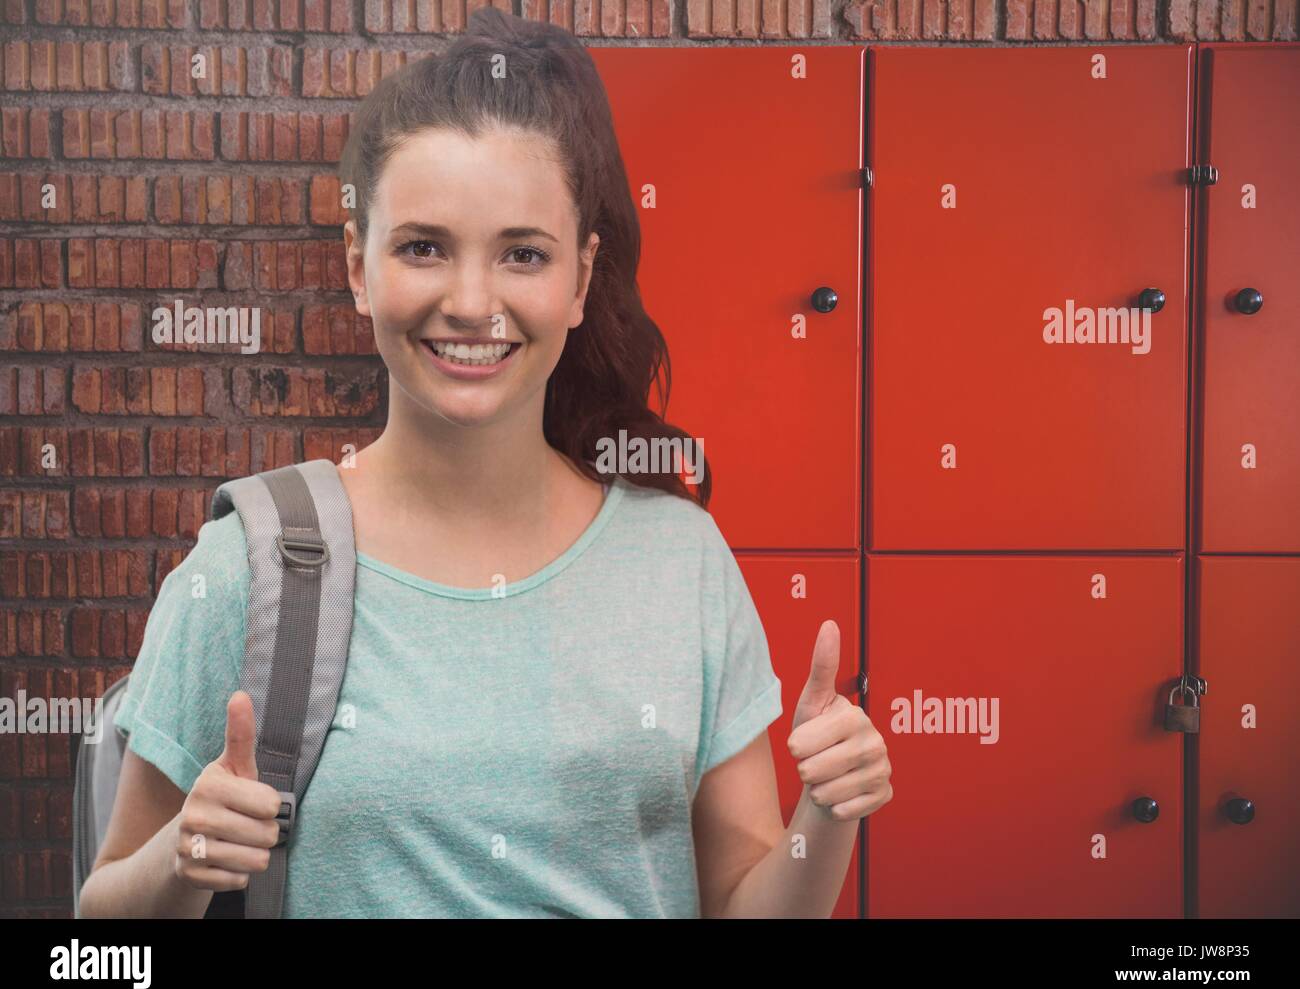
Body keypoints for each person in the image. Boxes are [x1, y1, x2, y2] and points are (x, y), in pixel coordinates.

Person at [78, 7, 891, 919]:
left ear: (580, 281)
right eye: (423, 247)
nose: (472, 302)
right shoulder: (247, 568)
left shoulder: (686, 562)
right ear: (358, 266)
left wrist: (826, 813)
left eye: (522, 255)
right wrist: (181, 862)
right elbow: (104, 940)